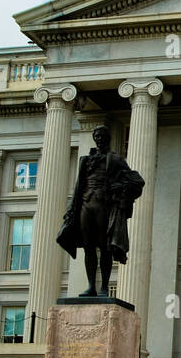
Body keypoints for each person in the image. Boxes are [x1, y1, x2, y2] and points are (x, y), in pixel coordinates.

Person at [57, 125, 145, 298]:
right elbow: (78, 187)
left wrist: (120, 187)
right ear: (94, 138)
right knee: (89, 247)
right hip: (85, 203)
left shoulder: (115, 159)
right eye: (97, 135)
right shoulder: (85, 160)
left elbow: (137, 181)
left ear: (108, 138)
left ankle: (104, 287)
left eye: (103, 135)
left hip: (104, 204)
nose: (99, 138)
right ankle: (91, 286)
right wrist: (71, 210)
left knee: (105, 247)